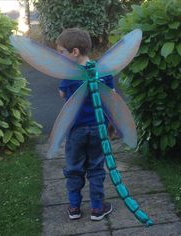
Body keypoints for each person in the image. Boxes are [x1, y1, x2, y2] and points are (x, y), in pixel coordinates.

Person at [56, 28, 113, 221]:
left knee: (74, 168)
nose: (59, 56)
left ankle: (74, 207)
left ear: (74, 52)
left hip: (76, 131)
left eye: (61, 52)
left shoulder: (70, 74)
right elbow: (110, 96)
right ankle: (97, 208)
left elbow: (62, 95)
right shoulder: (103, 71)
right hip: (99, 128)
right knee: (96, 168)